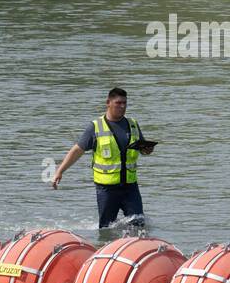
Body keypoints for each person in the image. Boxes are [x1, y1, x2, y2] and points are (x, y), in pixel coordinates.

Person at [51, 88, 156, 230]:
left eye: (125, 103)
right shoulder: (95, 127)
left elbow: (141, 148)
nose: (122, 106)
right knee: (107, 228)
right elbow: (77, 150)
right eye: (118, 103)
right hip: (107, 190)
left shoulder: (133, 124)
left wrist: (146, 150)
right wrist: (60, 170)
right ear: (108, 103)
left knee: (138, 223)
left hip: (130, 187)